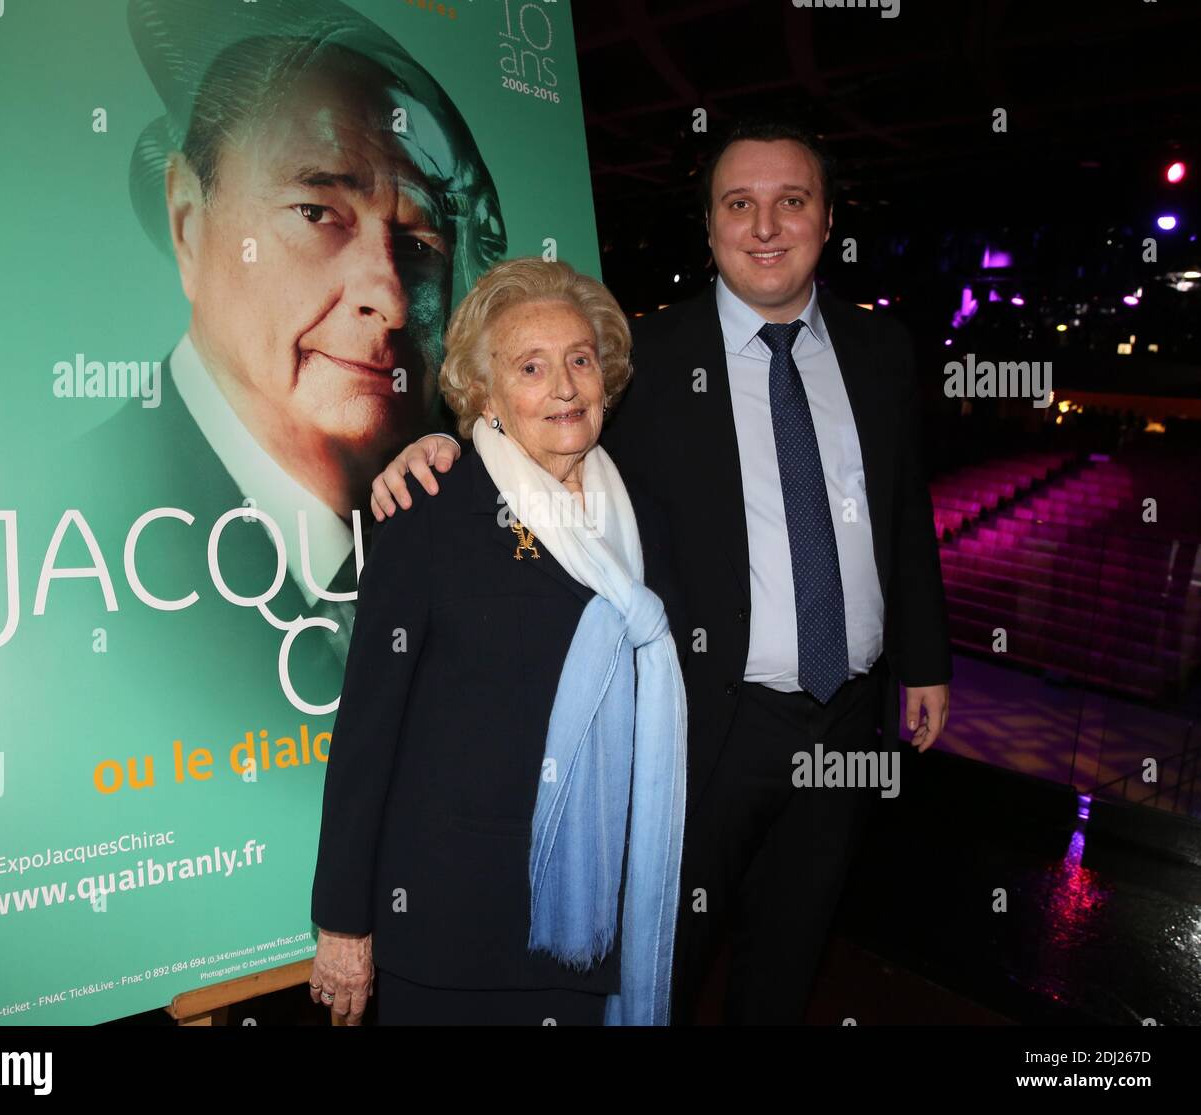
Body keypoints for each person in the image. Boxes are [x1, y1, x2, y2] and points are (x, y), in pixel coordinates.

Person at [368, 118, 953, 1024]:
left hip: (850, 715)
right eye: (739, 204)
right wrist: (436, 447)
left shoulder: (884, 352)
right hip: (707, 725)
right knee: (658, 962)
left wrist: (926, 659)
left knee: (792, 954)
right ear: (710, 226)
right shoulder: (643, 360)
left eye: (790, 202)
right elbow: (537, 424)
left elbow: (904, 513)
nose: (765, 225)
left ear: (827, 219)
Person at [77, 0, 507, 712]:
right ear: (188, 222)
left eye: (423, 244)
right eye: (316, 213)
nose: (391, 300)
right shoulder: (68, 529)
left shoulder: (473, 505)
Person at [309, 259, 688, 1026]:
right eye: (531, 366)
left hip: (597, 917)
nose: (564, 386)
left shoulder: (643, 514)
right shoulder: (429, 511)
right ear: (484, 395)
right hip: (455, 926)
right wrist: (343, 922)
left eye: (581, 359)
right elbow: (366, 733)